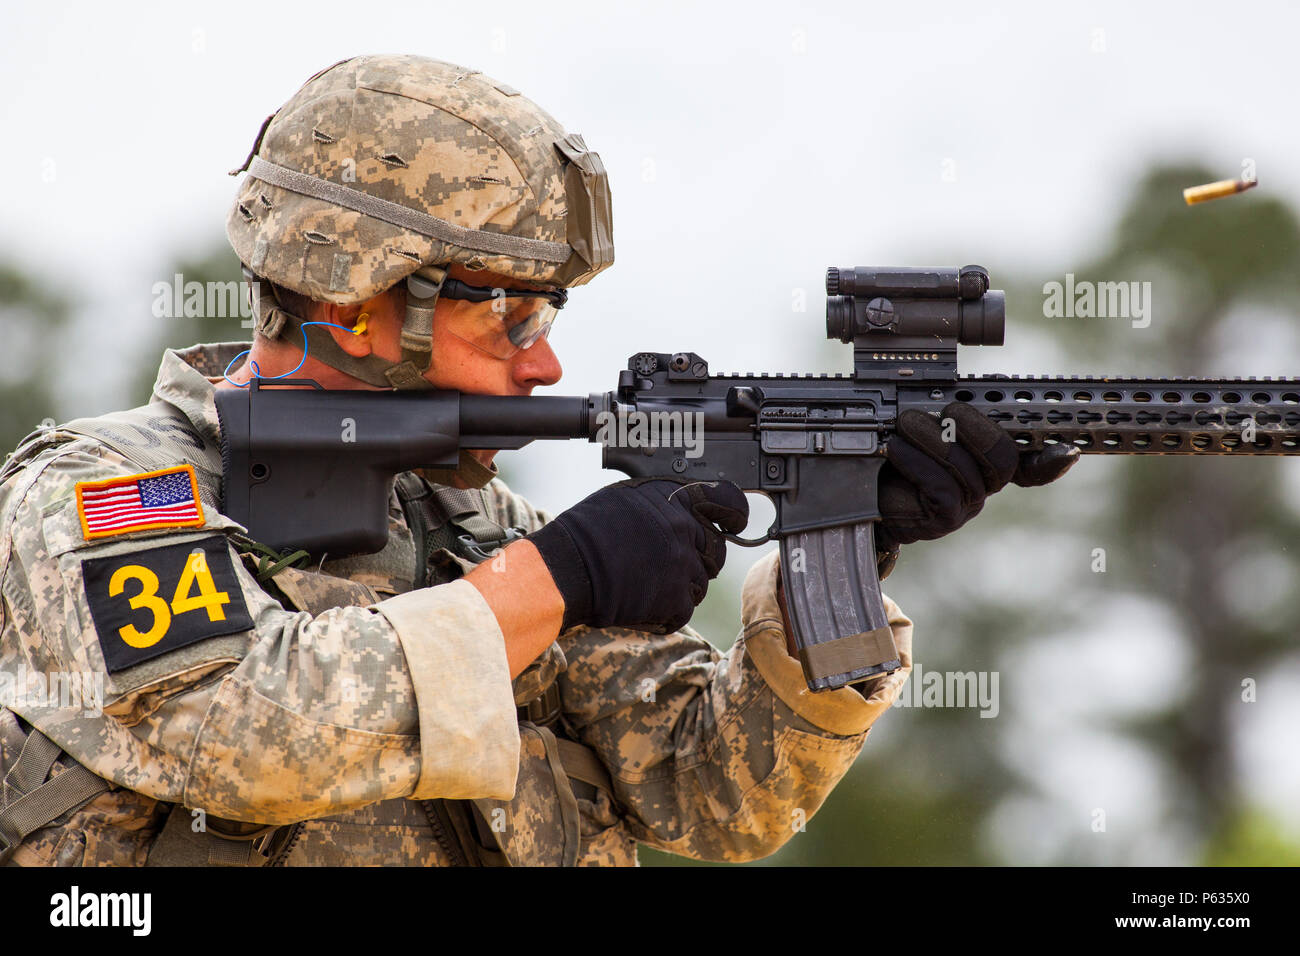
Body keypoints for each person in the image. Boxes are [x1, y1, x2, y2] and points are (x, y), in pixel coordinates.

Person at [0, 54, 1076, 866]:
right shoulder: (100, 491)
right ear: (354, 301)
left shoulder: (482, 531)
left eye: (546, 312)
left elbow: (714, 794)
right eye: (506, 312)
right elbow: (240, 731)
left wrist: (842, 542)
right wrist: (551, 582)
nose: (545, 355)